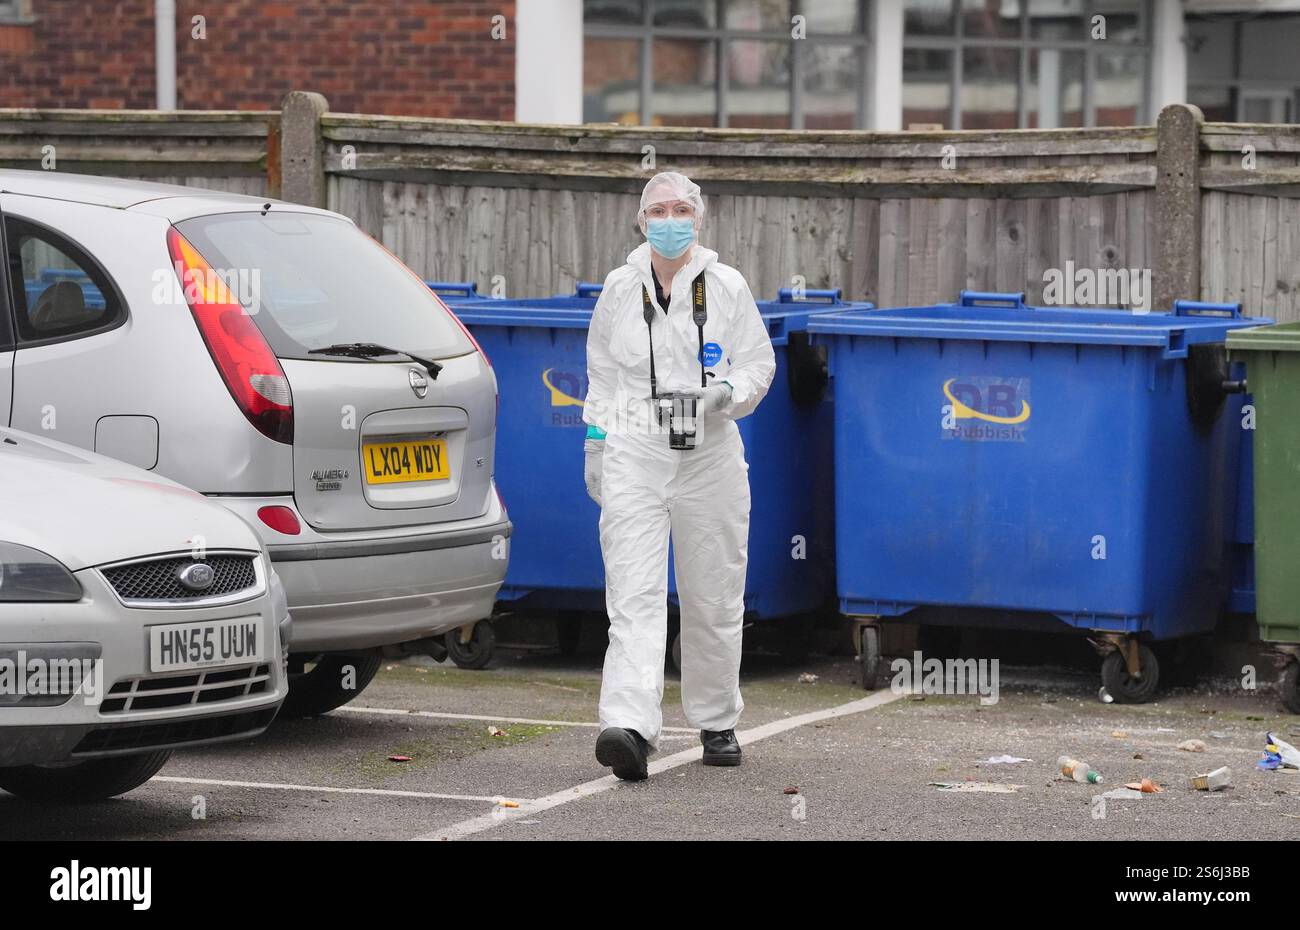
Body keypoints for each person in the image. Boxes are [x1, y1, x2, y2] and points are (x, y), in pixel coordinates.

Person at [582, 171, 776, 781]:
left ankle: (717, 720)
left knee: (713, 591)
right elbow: (603, 378)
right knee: (633, 595)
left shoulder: (726, 287)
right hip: (636, 450)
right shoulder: (619, 289)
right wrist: (596, 445)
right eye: (658, 210)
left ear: (699, 218)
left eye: (680, 209)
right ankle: (629, 727)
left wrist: (725, 394)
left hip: (710, 453)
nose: (670, 220)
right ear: (641, 221)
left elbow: (759, 363)